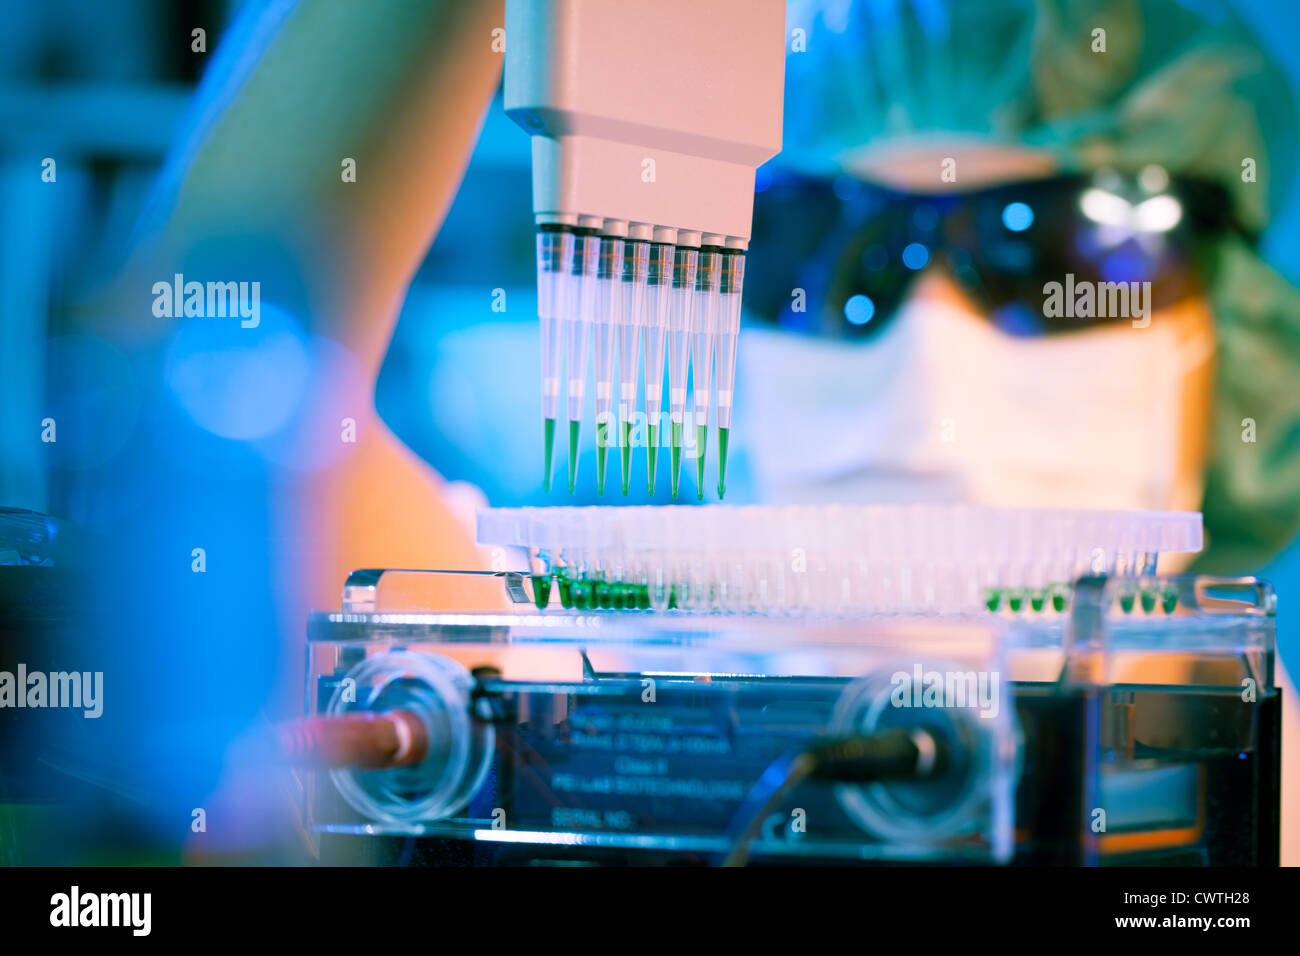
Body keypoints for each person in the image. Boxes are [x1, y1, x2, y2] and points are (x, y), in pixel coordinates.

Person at [70, 0, 1297, 861]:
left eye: (1056, 256)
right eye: (827, 255)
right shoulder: (550, 687)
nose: (927, 363)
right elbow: (208, 377)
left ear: (1232, 336)